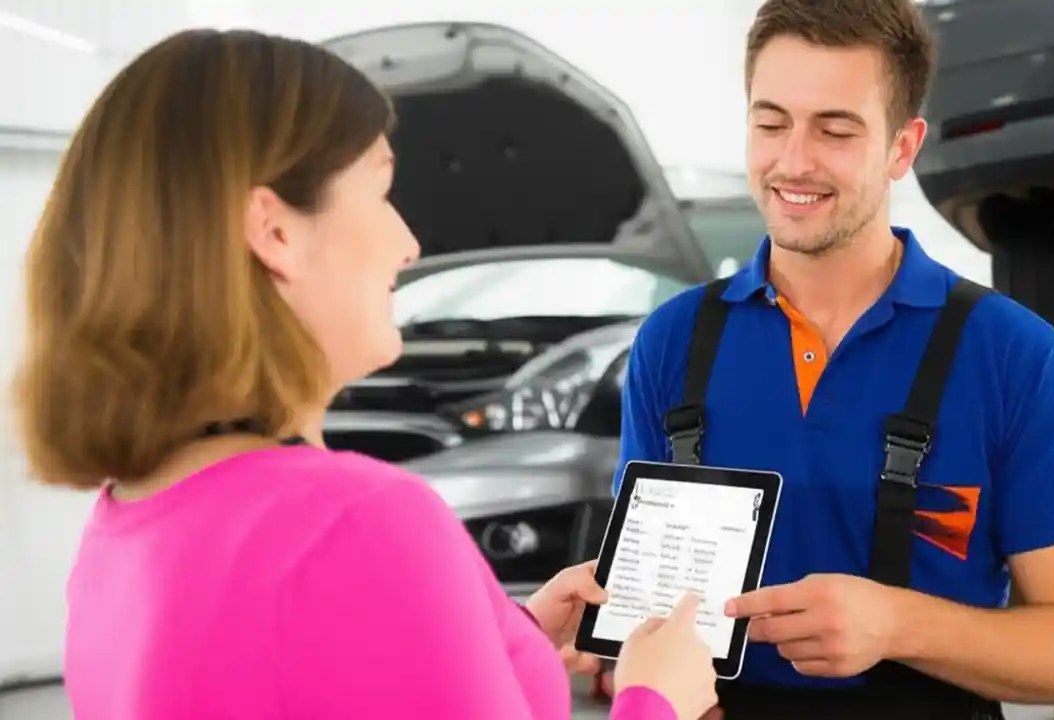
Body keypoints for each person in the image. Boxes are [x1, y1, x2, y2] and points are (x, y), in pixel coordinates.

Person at [10, 28, 718, 720]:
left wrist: (506, 639)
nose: (408, 244)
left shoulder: (122, 528)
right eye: (382, 192)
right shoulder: (358, 523)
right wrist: (656, 699)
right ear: (275, 231)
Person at [611, 1, 1054, 718]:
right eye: (770, 122)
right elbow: (646, 620)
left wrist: (895, 624)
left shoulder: (1016, 358)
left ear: (902, 148)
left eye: (835, 130)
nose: (793, 161)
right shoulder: (672, 343)